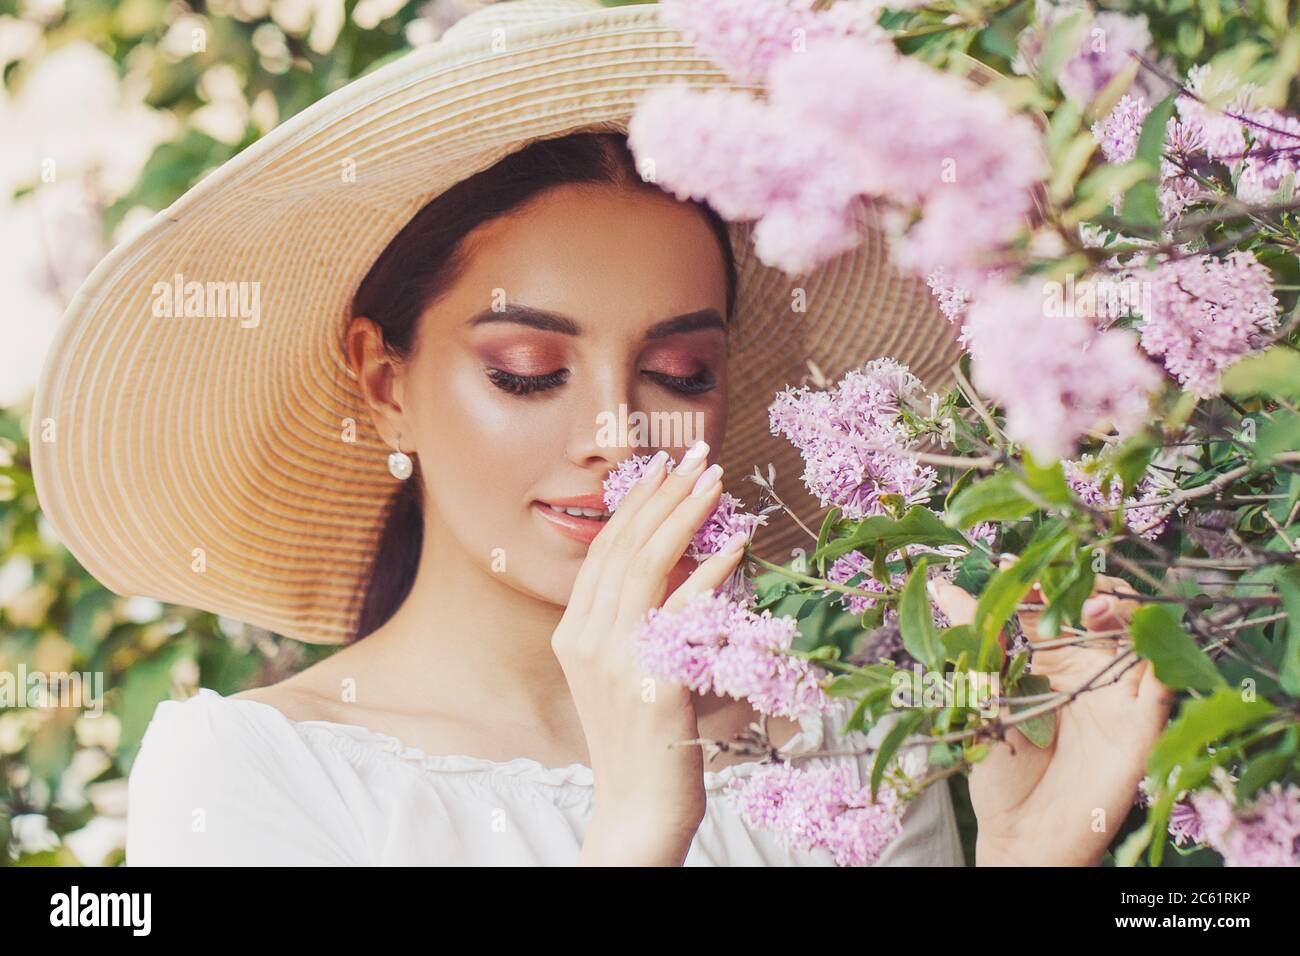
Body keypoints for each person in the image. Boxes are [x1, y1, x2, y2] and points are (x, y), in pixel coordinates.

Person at [30, 0, 1169, 867]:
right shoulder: (255, 770)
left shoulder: (836, 740)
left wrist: (1030, 856)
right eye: (528, 371)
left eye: (679, 370)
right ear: (385, 381)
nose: (618, 434)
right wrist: (633, 825)